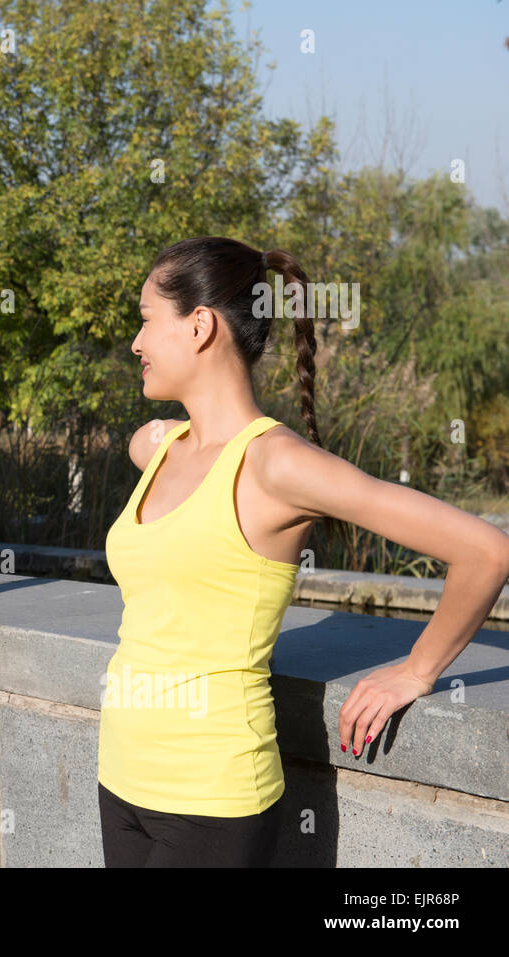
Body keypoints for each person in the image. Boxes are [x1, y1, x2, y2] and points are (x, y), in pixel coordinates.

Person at [97, 236, 509, 867]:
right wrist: (173, 431)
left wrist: (415, 671)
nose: (136, 343)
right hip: (121, 780)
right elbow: (149, 445)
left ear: (200, 325)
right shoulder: (159, 448)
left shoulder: (277, 465)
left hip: (210, 800)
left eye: (147, 321)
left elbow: (484, 550)